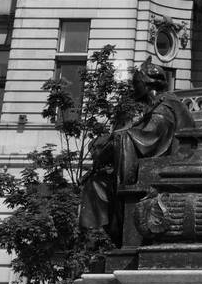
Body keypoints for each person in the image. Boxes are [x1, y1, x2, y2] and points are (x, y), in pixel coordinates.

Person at [78, 61, 194, 244]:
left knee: (99, 184)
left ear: (146, 84)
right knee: (95, 183)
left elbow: (146, 140)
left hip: (163, 174)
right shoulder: (156, 108)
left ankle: (109, 236)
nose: (134, 87)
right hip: (152, 171)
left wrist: (110, 141)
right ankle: (99, 236)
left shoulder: (164, 109)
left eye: (136, 83)